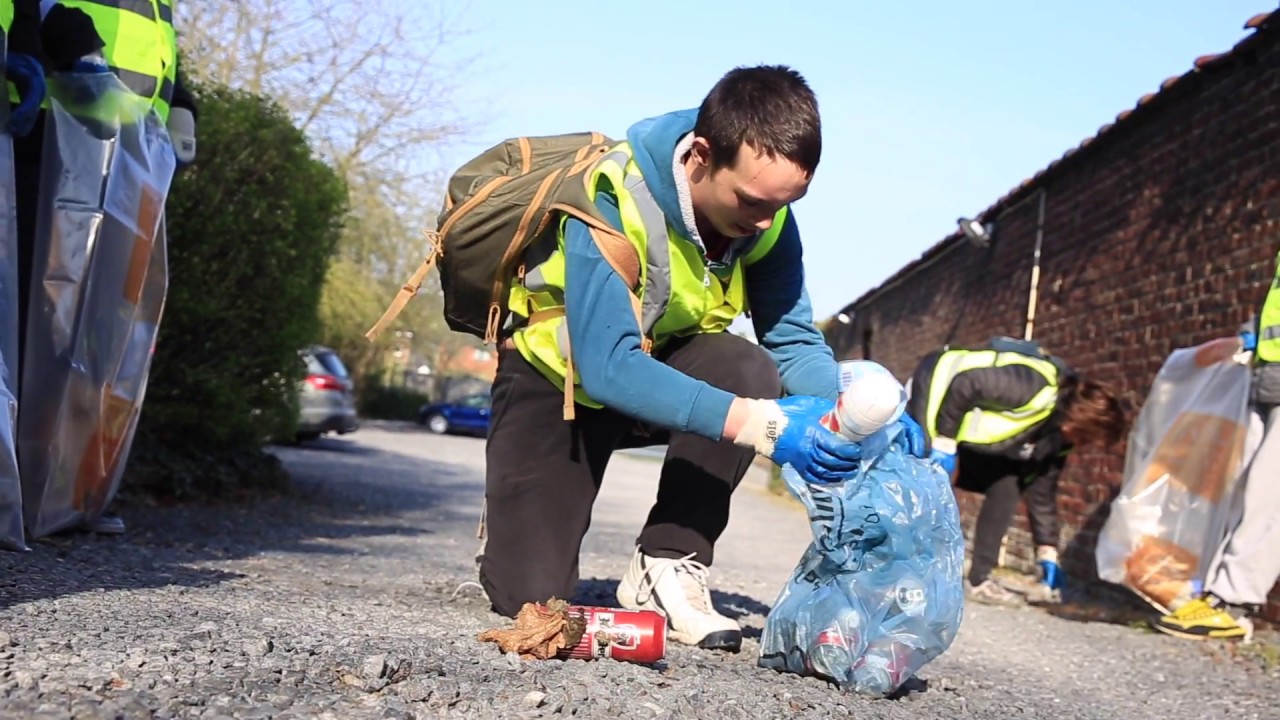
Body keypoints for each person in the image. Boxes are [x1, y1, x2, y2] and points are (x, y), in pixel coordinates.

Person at [477, 64, 926, 652]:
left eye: (785, 203)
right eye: (751, 200)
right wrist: (765, 426)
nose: (765, 220)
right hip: (560, 384)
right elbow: (608, 367)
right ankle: (512, 523)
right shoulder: (609, 197)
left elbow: (791, 340)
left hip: (663, 372)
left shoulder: (767, 216)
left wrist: (848, 415)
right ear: (701, 156)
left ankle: (666, 563)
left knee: (748, 368)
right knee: (532, 602)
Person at [14, 0, 196, 535]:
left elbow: (150, 50)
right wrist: (57, 38)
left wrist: (182, 101)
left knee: (101, 340)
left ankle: (66, 494)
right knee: (40, 321)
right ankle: (19, 489)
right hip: (54, 128)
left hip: (129, 155)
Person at [904, 341, 1126, 606]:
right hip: (936, 386)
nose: (1082, 445)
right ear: (1082, 421)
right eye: (1087, 438)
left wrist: (1047, 553)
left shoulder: (1056, 437)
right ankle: (897, 566)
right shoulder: (1033, 386)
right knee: (924, 475)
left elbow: (1042, 492)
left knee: (1007, 485)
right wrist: (944, 442)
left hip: (965, 430)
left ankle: (979, 580)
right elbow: (967, 383)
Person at [1154, 256, 1280, 641]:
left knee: (1269, 499)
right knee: (1242, 492)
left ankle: (1233, 603)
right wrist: (1249, 335)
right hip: (1268, 377)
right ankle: (1214, 595)